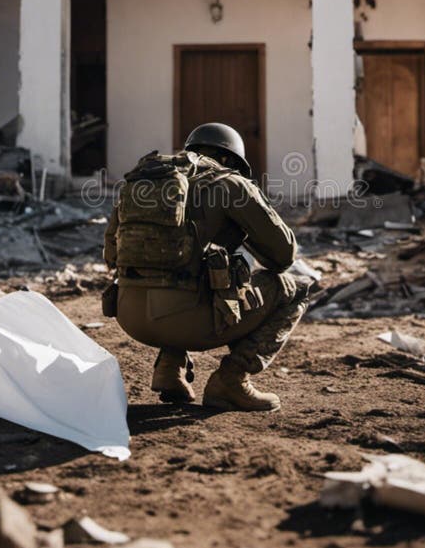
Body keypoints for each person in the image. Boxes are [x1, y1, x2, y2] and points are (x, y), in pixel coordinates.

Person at [102, 122, 313, 412]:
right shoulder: (230, 183)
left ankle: (169, 369)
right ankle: (232, 380)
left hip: (128, 314)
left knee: (183, 263)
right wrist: (243, 227)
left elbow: (111, 254)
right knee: (296, 289)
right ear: (229, 160)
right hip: (185, 320)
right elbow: (283, 257)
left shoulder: (145, 180)